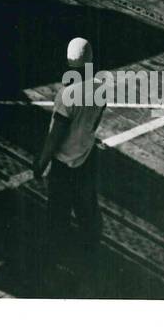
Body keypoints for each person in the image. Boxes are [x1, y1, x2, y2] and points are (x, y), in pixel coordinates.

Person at [35, 37, 105, 286]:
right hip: (86, 158)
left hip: (64, 165)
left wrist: (41, 162)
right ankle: (91, 255)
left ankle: (52, 263)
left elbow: (55, 134)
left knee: (58, 214)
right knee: (87, 210)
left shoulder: (67, 95)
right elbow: (95, 124)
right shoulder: (100, 87)